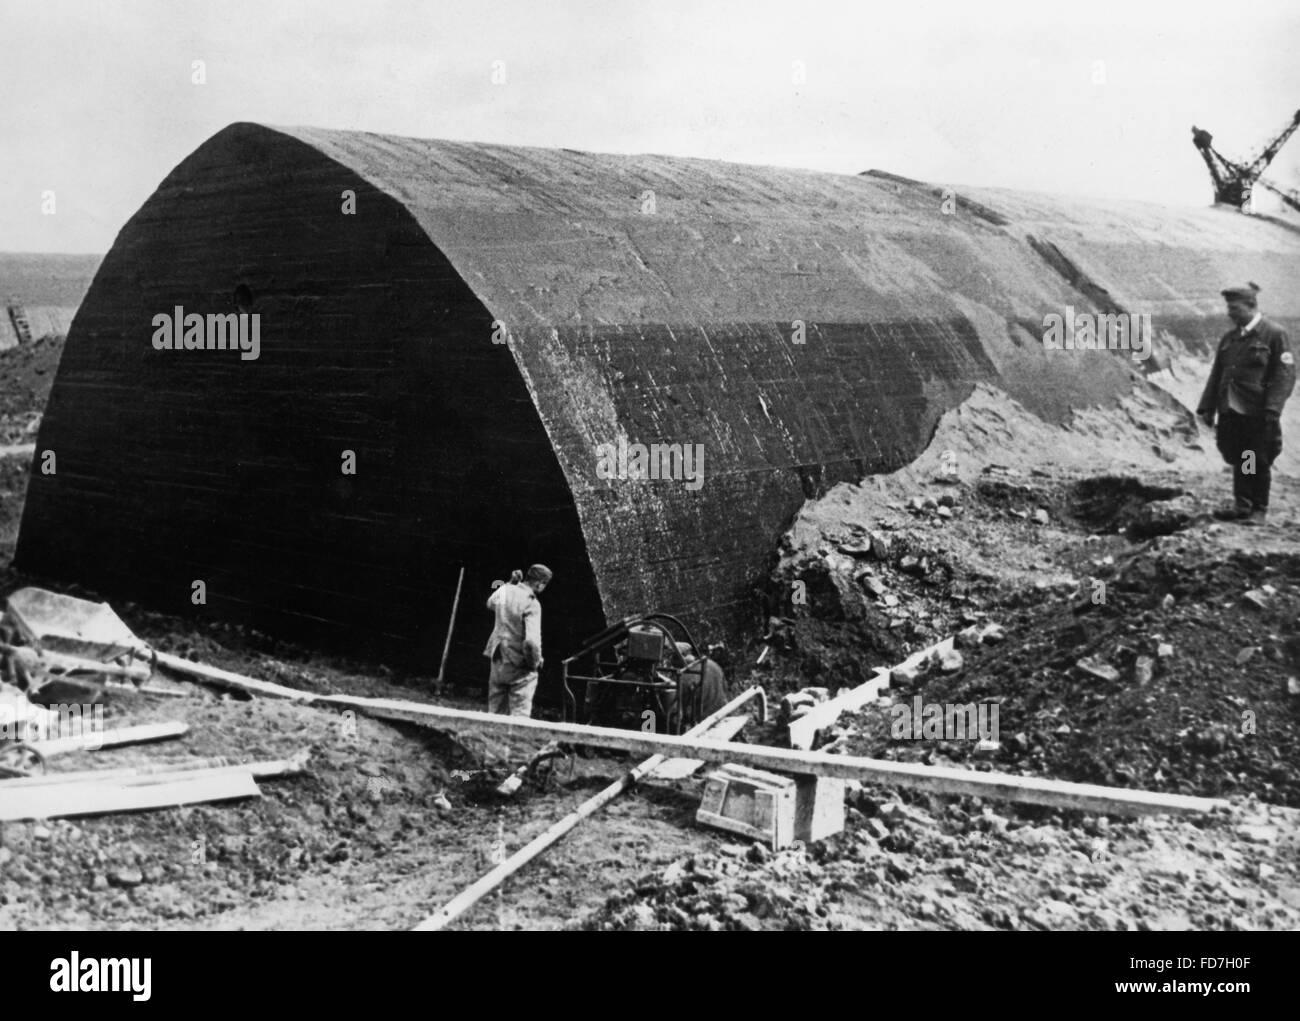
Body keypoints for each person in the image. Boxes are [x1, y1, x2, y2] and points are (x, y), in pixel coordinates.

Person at [1197, 283, 1295, 524]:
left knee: (1256, 458)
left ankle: (1258, 509)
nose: (1229, 313)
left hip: (1256, 412)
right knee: (1240, 457)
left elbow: (1284, 374)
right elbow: (1217, 373)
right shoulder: (1230, 338)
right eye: (1228, 307)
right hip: (1230, 411)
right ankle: (1243, 505)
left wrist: (1272, 409)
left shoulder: (1273, 334)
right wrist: (1207, 408)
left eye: (1235, 308)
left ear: (1251, 307)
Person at [483, 564, 552, 717]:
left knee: (495, 713)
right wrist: (534, 663)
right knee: (519, 716)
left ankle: (491, 740)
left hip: (498, 658)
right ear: (540, 583)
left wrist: (510, 583)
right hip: (519, 666)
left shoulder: (505, 590)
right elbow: (531, 643)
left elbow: (490, 603)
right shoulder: (532, 604)